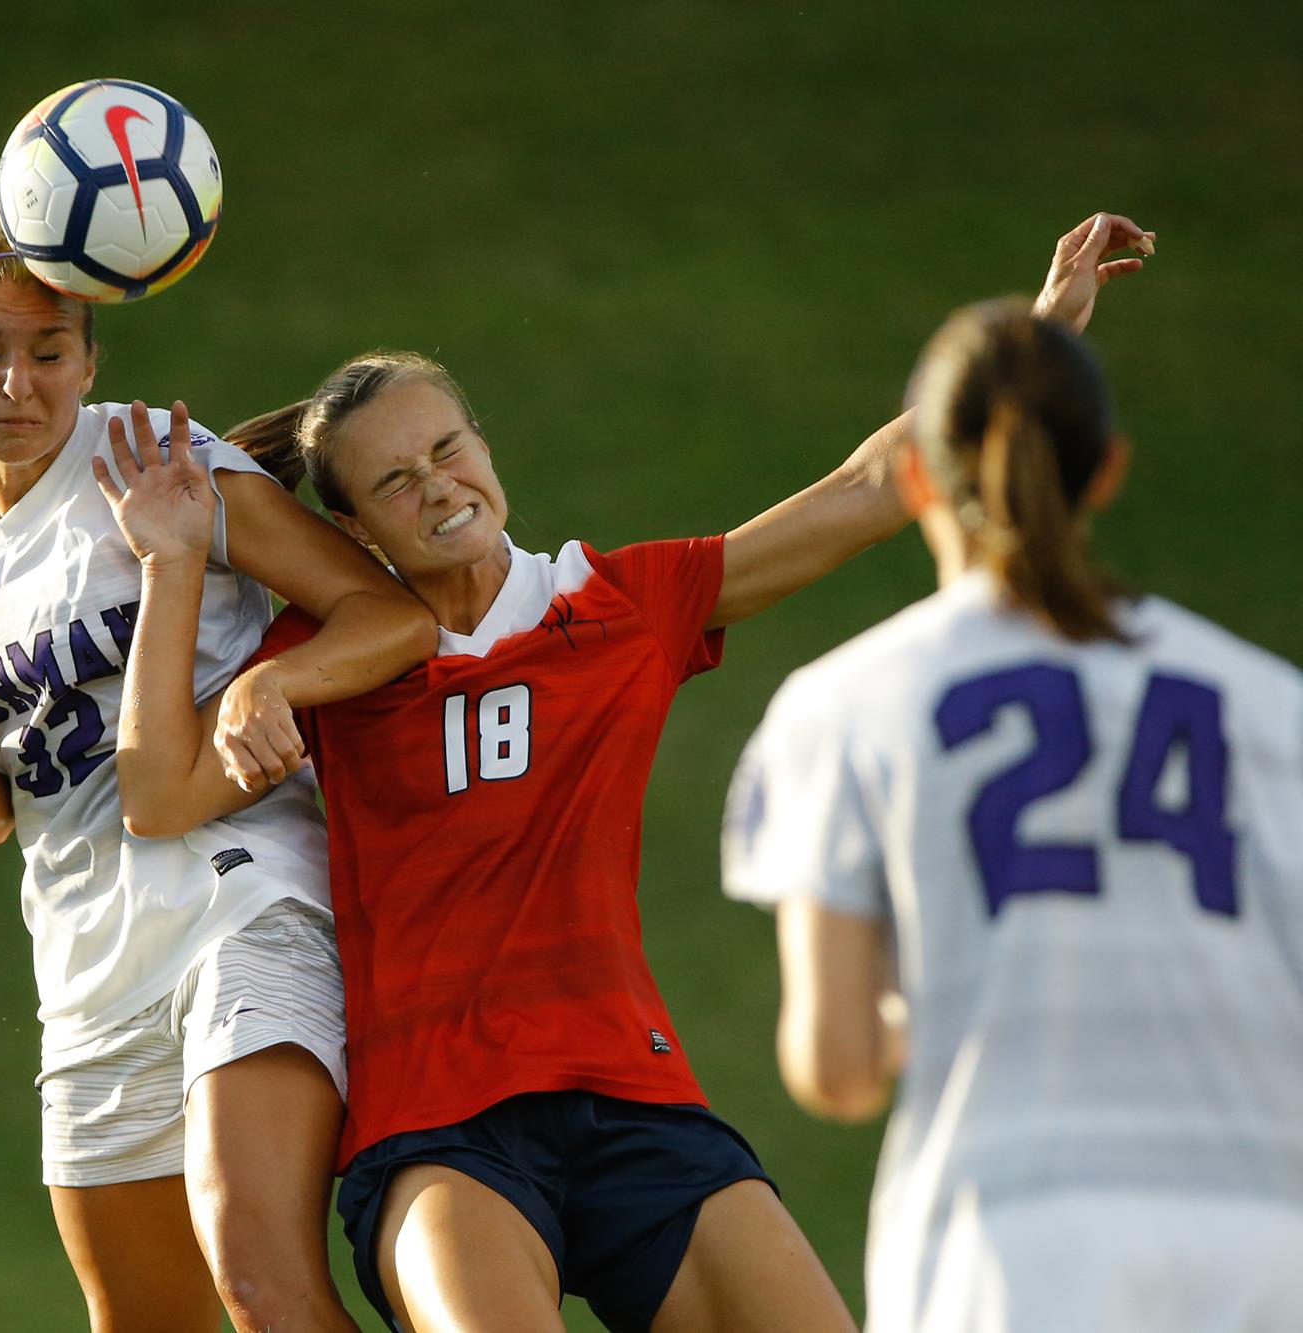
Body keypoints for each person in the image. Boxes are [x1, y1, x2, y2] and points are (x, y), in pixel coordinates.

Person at [97, 214, 1152, 1332]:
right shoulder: (331, 655)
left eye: (448, 448)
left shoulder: (615, 607)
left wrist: (1039, 339)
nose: (438, 486)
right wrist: (178, 569)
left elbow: (860, 491)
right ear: (354, 532)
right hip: (437, 1131)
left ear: (485, 446)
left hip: (630, 1098)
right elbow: (158, 795)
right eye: (394, 482)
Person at [0, 208, 436, 1333]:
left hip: (243, 897)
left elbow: (389, 619)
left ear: (90, 357)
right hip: (85, 960)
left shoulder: (155, 461)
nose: (18, 384)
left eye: (49, 352)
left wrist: (268, 688)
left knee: (259, 1280)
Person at [720, 293, 1303, 1333]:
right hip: (1267, 1226)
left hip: (1012, 1234)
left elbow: (836, 1064)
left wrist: (955, 996)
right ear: (1108, 469)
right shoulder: (1267, 702)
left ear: (912, 476)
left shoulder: (844, 703)